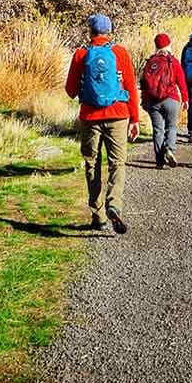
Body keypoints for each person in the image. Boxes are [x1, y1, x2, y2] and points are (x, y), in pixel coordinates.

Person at [65, 13, 139, 235]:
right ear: (109, 32)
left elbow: (70, 90)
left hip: (90, 117)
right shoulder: (120, 53)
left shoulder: (81, 54)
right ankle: (114, 204)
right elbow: (131, 87)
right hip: (118, 114)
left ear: (90, 31)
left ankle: (98, 216)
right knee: (118, 163)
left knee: (92, 163)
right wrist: (134, 119)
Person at [140, 33, 188, 169]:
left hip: (153, 101)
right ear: (169, 45)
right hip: (171, 99)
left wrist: (144, 101)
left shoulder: (150, 62)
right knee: (171, 127)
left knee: (157, 130)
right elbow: (181, 81)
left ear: (156, 45)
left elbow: (144, 84)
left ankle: (159, 161)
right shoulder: (172, 61)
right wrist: (185, 98)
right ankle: (170, 149)